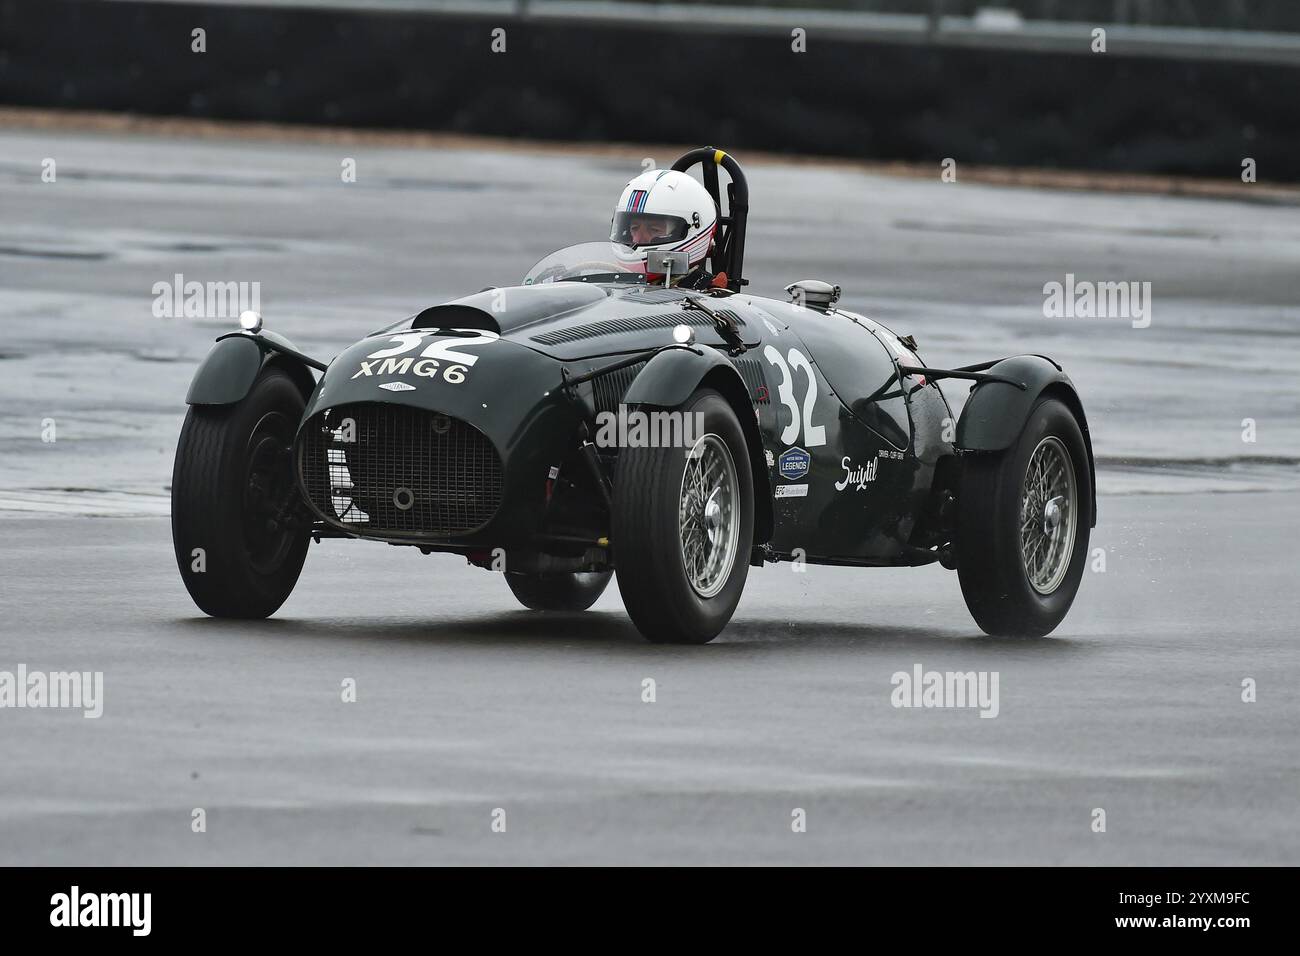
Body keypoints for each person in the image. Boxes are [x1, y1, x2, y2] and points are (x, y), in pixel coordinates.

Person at [609, 169, 720, 289]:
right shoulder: (612, 284)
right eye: (634, 228)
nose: (637, 239)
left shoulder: (708, 298)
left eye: (654, 229)